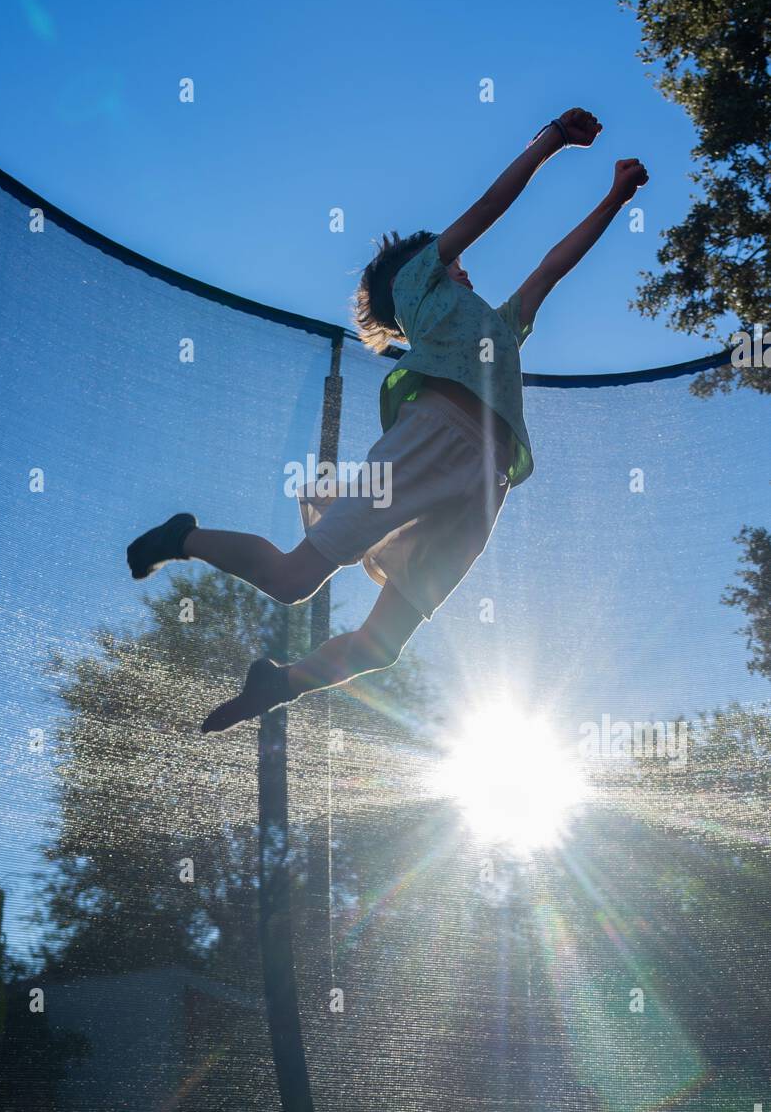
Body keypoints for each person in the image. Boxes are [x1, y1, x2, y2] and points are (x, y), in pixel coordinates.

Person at [126, 108, 647, 732]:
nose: (463, 267)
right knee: (294, 581)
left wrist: (615, 196)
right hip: (429, 441)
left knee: (383, 647)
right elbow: (488, 208)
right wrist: (552, 140)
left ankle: (279, 684)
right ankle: (182, 537)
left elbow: (550, 269)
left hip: (488, 482)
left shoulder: (499, 329)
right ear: (419, 273)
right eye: (450, 260)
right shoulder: (419, 287)